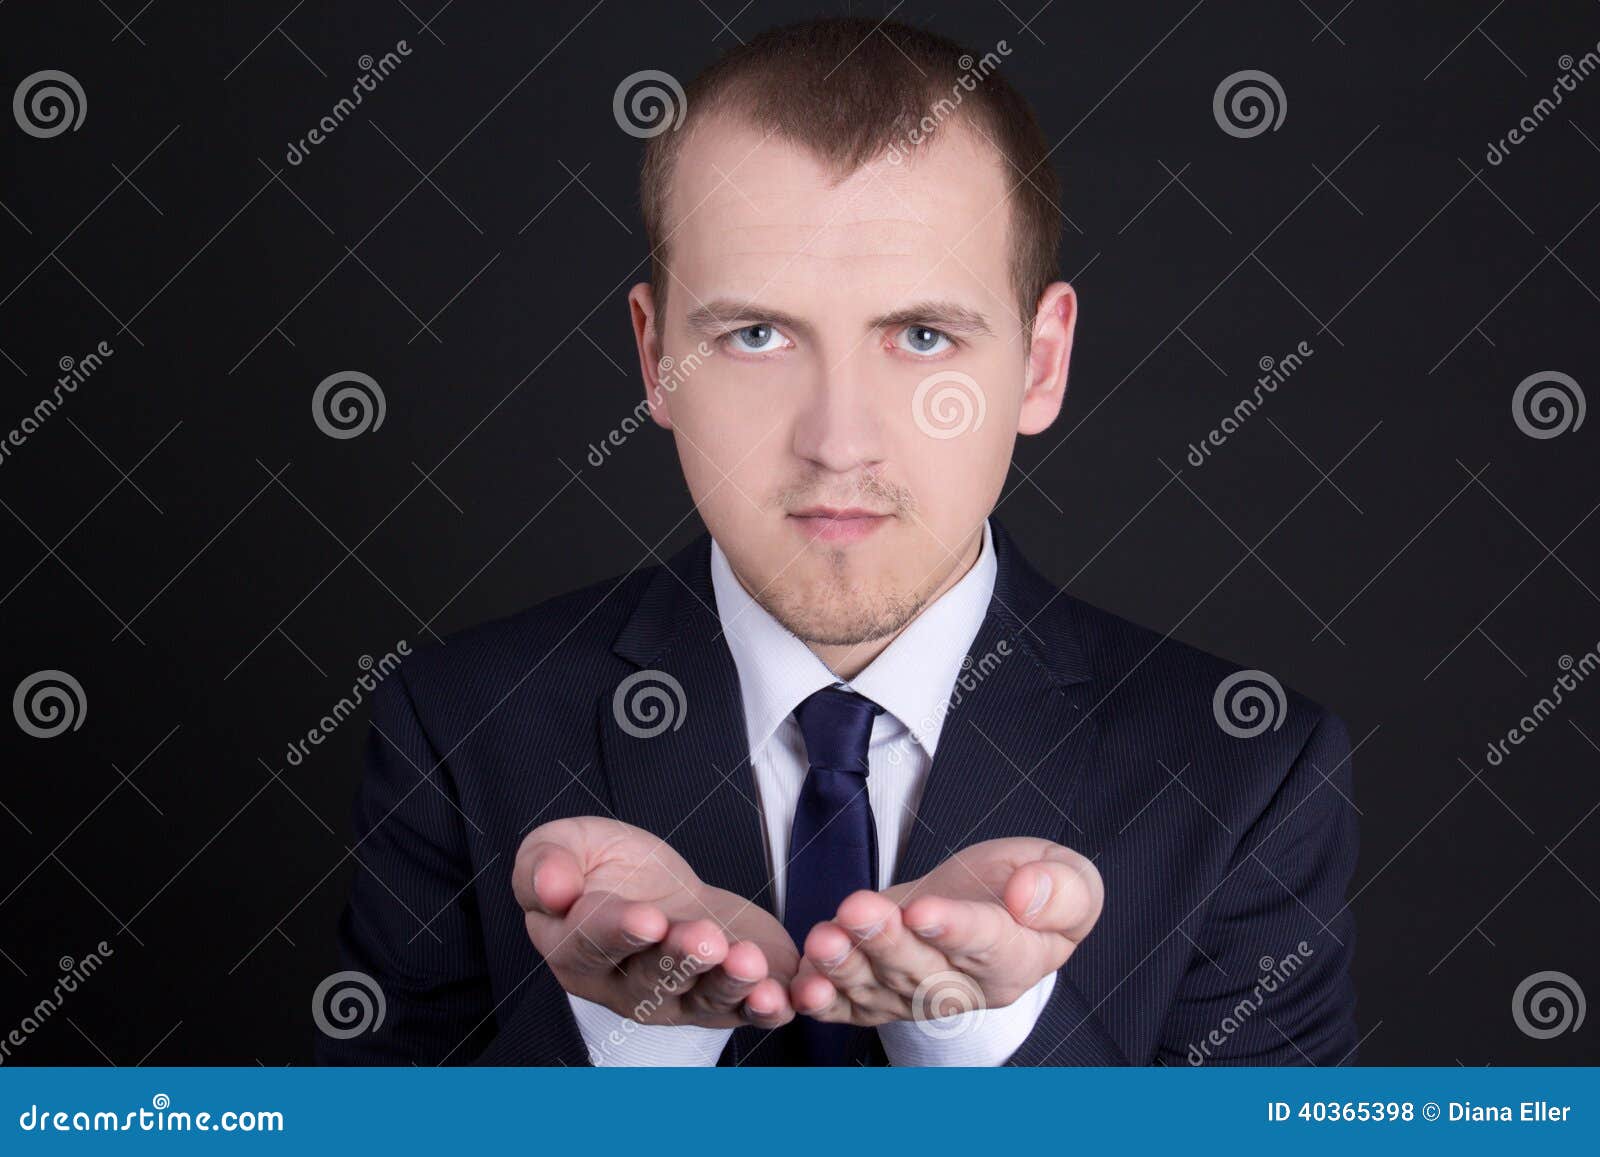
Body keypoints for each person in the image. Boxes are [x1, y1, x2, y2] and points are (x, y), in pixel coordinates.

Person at [318, 16, 1358, 1067]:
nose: (836, 441)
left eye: (921, 336)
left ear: (1040, 364)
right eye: (755, 335)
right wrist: (631, 1051)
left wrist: (974, 1040)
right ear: (653, 355)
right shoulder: (459, 728)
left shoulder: (1241, 775)